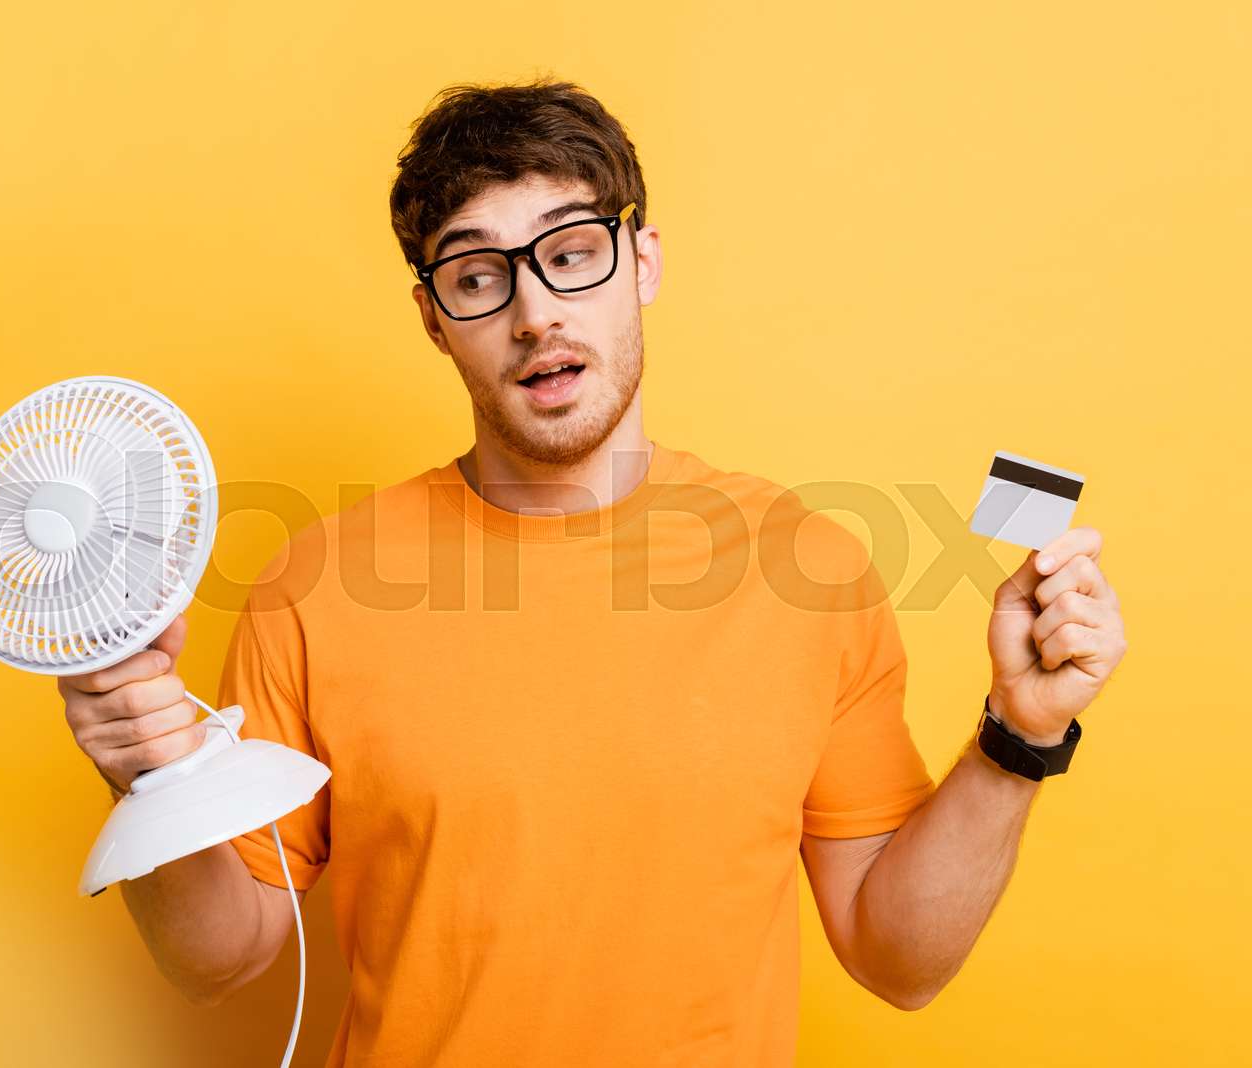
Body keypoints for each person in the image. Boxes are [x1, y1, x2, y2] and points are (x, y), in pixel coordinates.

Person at [56, 78, 1128, 1066]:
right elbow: (219, 959)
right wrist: (147, 780)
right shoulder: (314, 587)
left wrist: (1018, 736)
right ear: (433, 319)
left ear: (642, 261)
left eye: (571, 254)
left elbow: (899, 962)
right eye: (478, 277)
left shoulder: (808, 569)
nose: (535, 315)